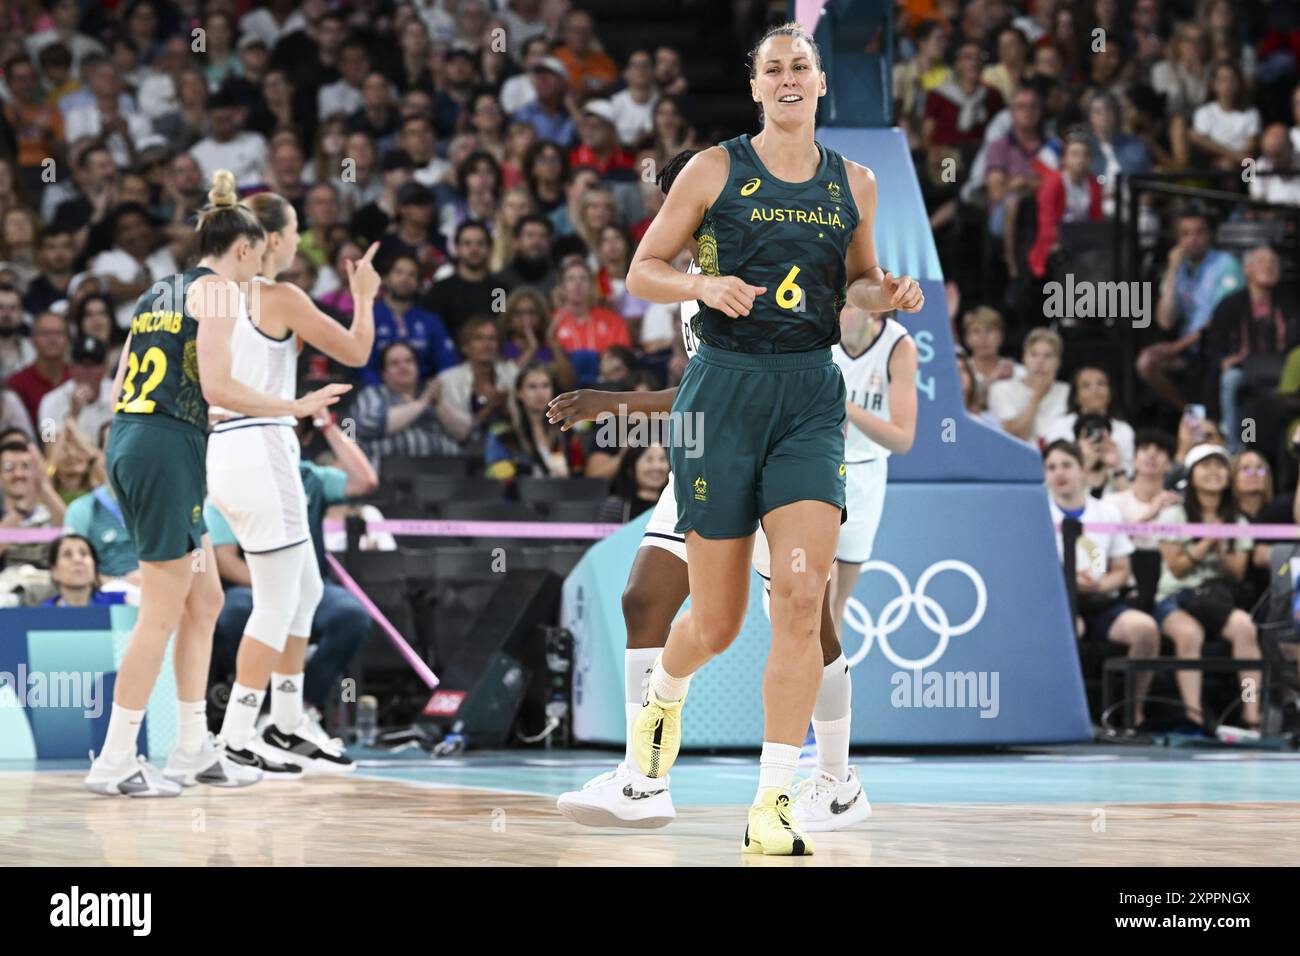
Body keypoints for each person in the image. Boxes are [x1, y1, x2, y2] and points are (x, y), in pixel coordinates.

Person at [85, 170, 347, 797]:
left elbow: (134, 379)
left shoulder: (155, 292)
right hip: (165, 450)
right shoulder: (224, 294)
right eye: (259, 256)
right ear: (243, 249)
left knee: (202, 603)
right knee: (161, 611)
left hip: (135, 438)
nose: (260, 270)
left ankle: (192, 748)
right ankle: (116, 757)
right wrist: (295, 405)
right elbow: (217, 387)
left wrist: (206, 413)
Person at [206, 190, 380, 776]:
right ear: (272, 239)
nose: (302, 238)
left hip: (223, 449)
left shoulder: (213, 295)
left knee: (303, 593)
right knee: (278, 600)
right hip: (261, 443)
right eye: (296, 229)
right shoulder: (279, 296)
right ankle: (238, 731)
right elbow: (356, 351)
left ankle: (284, 722)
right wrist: (364, 299)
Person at [208, 412, 377, 767]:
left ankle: (294, 714)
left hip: (301, 577)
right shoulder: (241, 473)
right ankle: (242, 727)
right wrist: (276, 582)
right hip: (249, 582)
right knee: (252, 610)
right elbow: (225, 559)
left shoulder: (309, 476)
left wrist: (329, 425)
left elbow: (365, 481)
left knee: (336, 607)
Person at [1044, 441, 1159, 726]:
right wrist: (1070, 582)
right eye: (1052, 467)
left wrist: (1101, 584)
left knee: (1145, 630)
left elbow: (1122, 569)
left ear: (1082, 470)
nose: (1060, 473)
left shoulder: (1107, 512)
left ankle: (1133, 714)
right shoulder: (1039, 514)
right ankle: (1063, 714)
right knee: (1070, 629)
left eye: (1067, 465)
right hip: (1057, 603)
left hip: (1101, 599)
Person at [1153, 444, 1262, 732]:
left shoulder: (1237, 520)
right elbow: (1176, 566)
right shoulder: (1173, 515)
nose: (1214, 472)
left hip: (1216, 599)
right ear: (1191, 475)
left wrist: (1222, 545)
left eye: (1220, 466)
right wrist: (1206, 542)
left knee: (1245, 628)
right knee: (1189, 634)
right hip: (1175, 599)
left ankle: (1251, 714)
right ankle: (1195, 716)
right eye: (1205, 466)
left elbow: (1237, 571)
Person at [987, 327, 1069, 445]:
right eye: (1034, 355)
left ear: (1059, 362)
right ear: (1024, 358)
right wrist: (1036, 398)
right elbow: (1015, 436)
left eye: (1048, 356)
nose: (1040, 361)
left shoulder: (1068, 392)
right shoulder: (1001, 390)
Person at [41, 533, 127, 607]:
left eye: (84, 553)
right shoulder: (41, 615)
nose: (78, 560)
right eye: (67, 554)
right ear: (54, 570)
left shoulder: (122, 603)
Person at [597, 443, 669, 522]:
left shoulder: (678, 507)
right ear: (631, 468)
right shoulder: (615, 507)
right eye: (649, 460)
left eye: (662, 459)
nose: (656, 466)